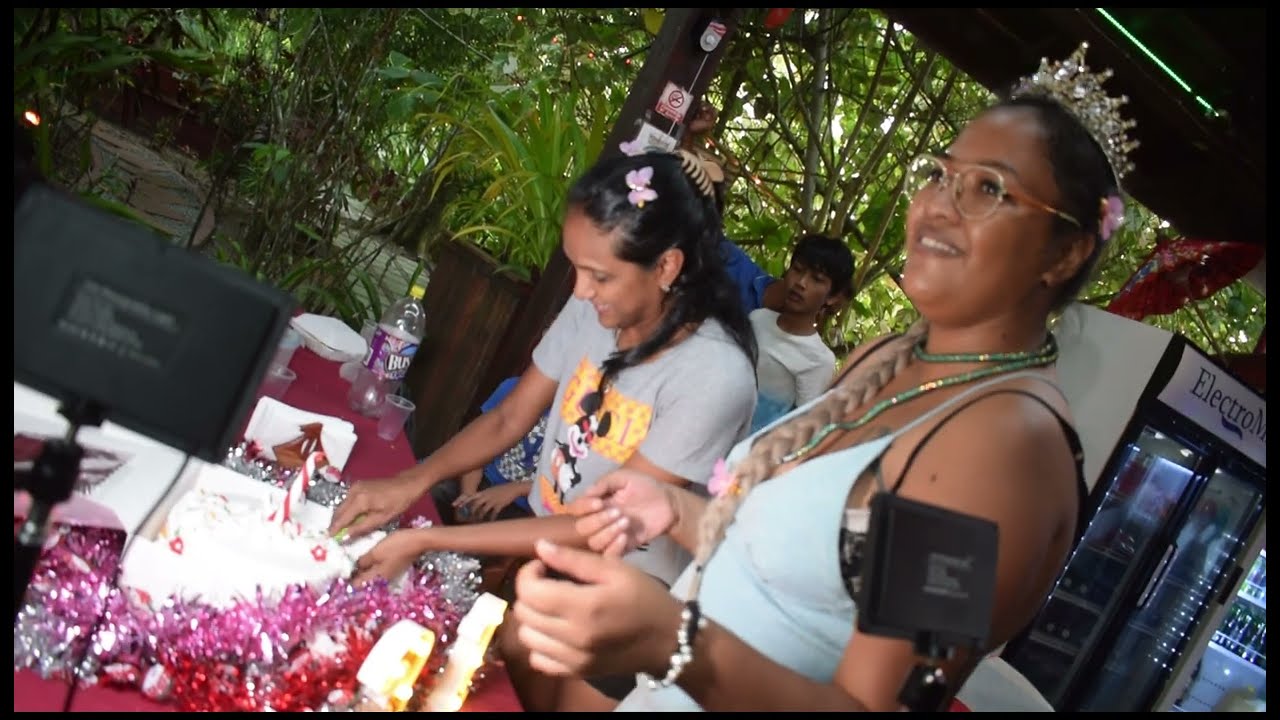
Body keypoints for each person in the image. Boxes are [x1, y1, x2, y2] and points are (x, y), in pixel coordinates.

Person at [506, 43, 1134, 711]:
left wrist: (672, 640)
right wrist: (679, 512)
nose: (939, 207)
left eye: (989, 189)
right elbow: (789, 565)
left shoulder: (1003, 446)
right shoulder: (884, 356)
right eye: (942, 175)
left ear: (1064, 253)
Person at [329, 148, 759, 594]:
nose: (581, 290)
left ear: (667, 266)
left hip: (617, 588)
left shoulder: (715, 375)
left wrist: (429, 539)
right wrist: (411, 480)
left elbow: (598, 527)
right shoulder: (592, 304)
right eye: (576, 268)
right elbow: (508, 418)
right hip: (541, 533)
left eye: (600, 276)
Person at [749, 233, 853, 432]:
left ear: (832, 297)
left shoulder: (819, 360)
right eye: (797, 270)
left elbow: (803, 429)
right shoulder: (758, 319)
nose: (801, 283)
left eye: (817, 279)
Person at [428, 376, 546, 525]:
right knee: (426, 492)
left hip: (522, 505)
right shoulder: (516, 388)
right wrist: (468, 495)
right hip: (477, 479)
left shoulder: (579, 422)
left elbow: (565, 489)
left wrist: (515, 490)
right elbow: (477, 444)